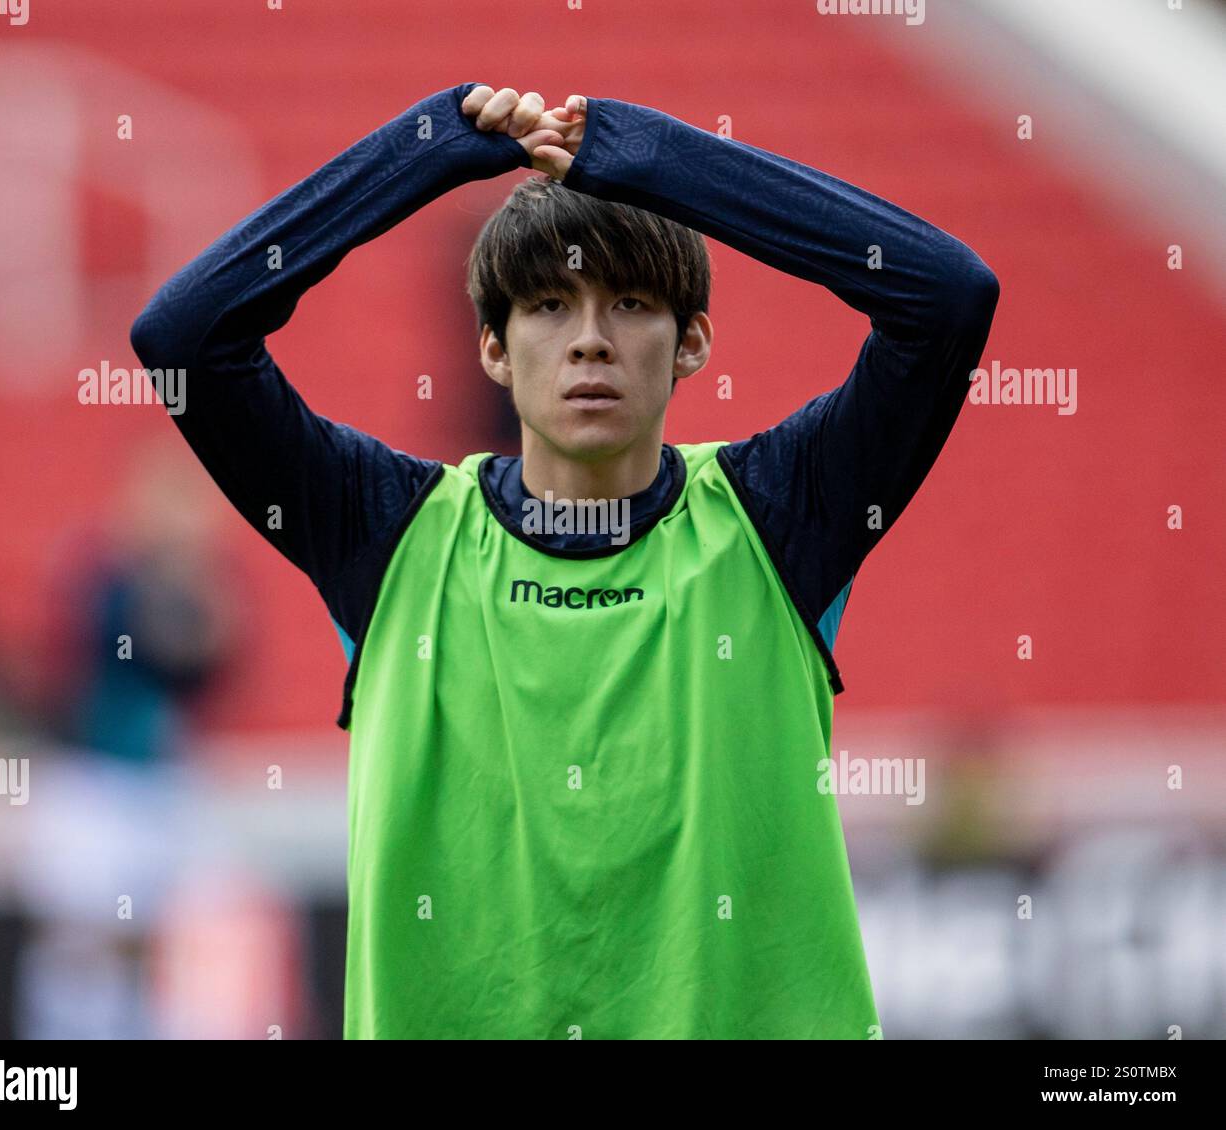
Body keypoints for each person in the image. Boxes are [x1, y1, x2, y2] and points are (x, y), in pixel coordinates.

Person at [130, 82, 999, 1039]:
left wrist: (652, 157)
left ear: (693, 342)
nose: (589, 339)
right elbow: (186, 338)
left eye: (630, 302)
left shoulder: (782, 515)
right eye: (548, 306)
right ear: (494, 351)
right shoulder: (387, 533)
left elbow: (947, 297)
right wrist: (426, 149)